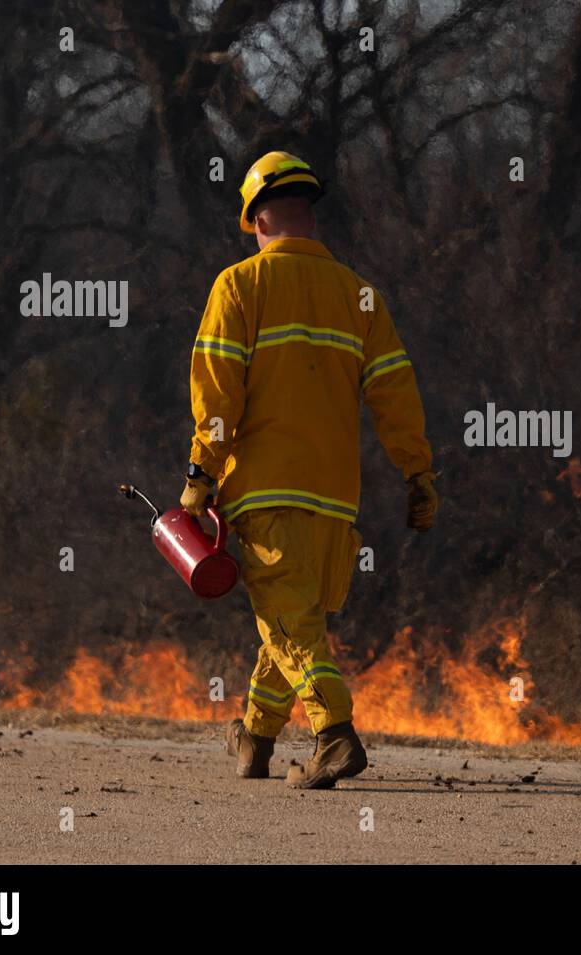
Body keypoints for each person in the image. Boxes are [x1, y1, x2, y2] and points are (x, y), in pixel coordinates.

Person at [182, 150, 437, 789]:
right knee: (295, 619)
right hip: (335, 498)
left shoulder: (239, 286)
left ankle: (334, 733)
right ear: (309, 217)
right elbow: (395, 391)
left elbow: (218, 395)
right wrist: (417, 473)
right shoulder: (360, 295)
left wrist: (200, 473)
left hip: (266, 490)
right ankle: (255, 739)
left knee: (288, 619)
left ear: (257, 220)